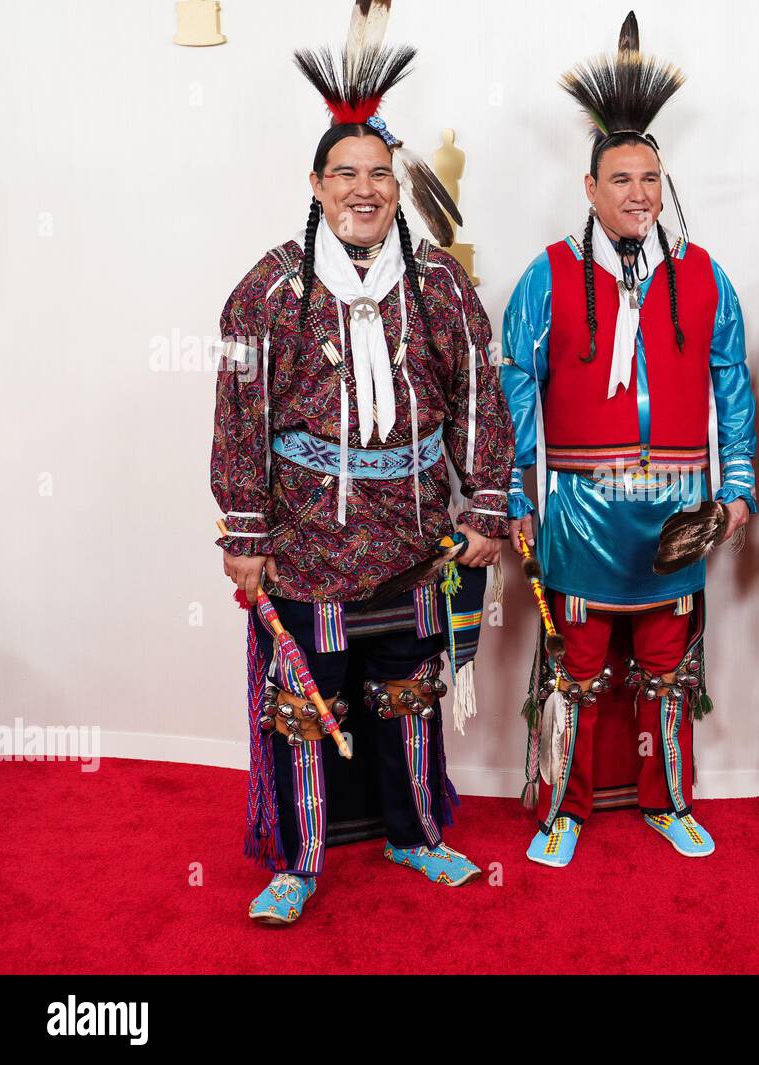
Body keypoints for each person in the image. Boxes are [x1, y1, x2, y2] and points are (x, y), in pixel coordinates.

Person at [211, 6, 513, 923]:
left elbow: (477, 398)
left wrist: (487, 509)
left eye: (380, 173)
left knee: (412, 696)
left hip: (419, 540)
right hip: (306, 544)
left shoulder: (439, 286)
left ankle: (418, 834)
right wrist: (246, 532)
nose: (365, 188)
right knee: (305, 707)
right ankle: (299, 860)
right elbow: (239, 416)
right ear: (316, 181)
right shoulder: (269, 291)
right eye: (346, 172)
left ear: (398, 184)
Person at [501, 12, 758, 868]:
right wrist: (515, 495)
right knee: (576, 668)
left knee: (667, 665)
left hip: (678, 508)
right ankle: (565, 810)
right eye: (621, 179)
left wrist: (739, 485)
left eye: (651, 177)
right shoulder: (547, 275)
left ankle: (669, 797)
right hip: (579, 508)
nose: (639, 193)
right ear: (590, 187)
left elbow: (731, 384)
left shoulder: (702, 274)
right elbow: (516, 389)